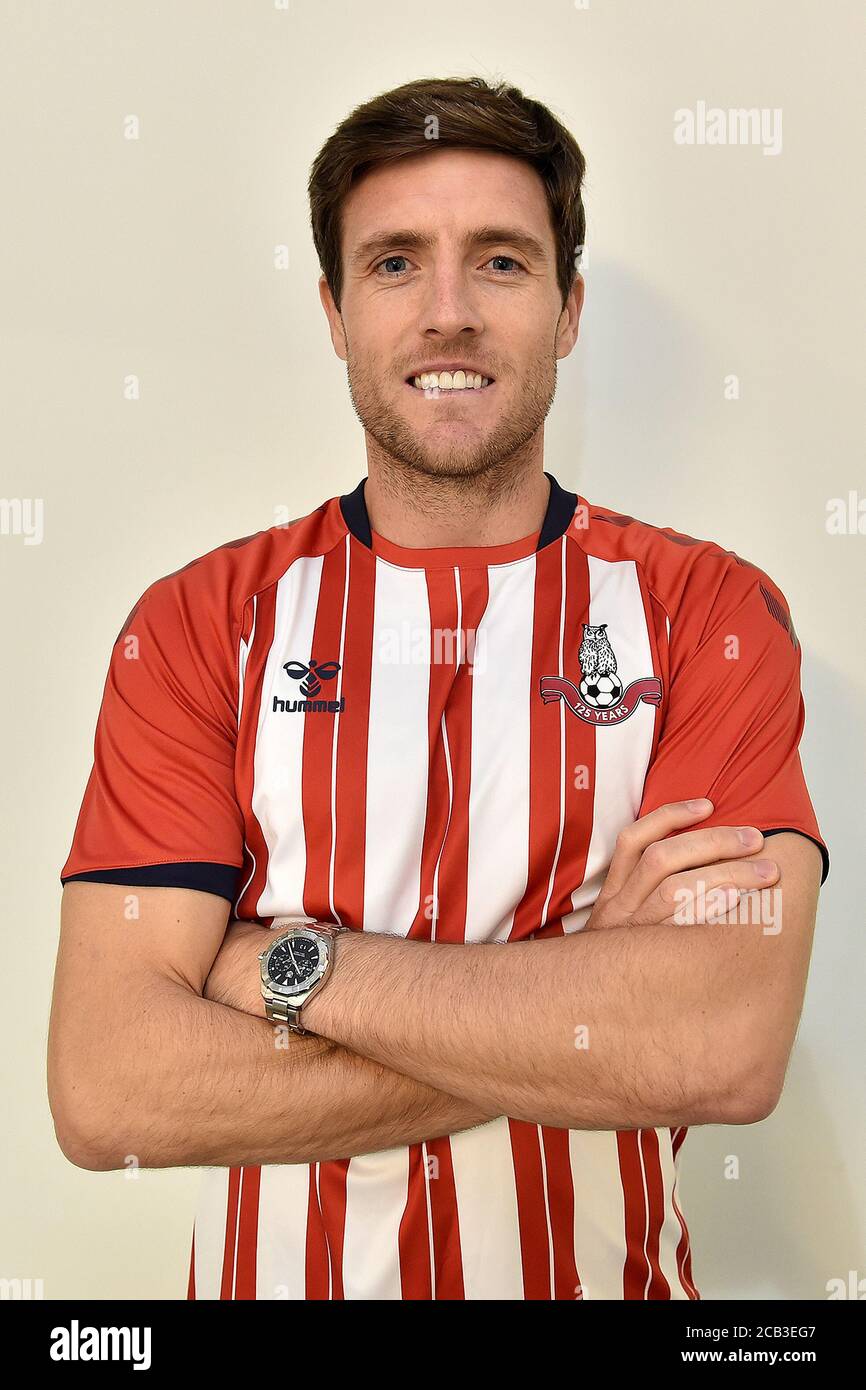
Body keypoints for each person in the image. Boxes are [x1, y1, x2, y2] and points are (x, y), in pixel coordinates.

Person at [49, 76, 829, 1301]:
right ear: (335, 311)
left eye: (503, 263)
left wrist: (285, 967)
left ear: (568, 310)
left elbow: (719, 1045)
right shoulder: (198, 625)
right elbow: (108, 1089)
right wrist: (587, 989)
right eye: (397, 264)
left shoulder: (710, 615)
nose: (448, 313)